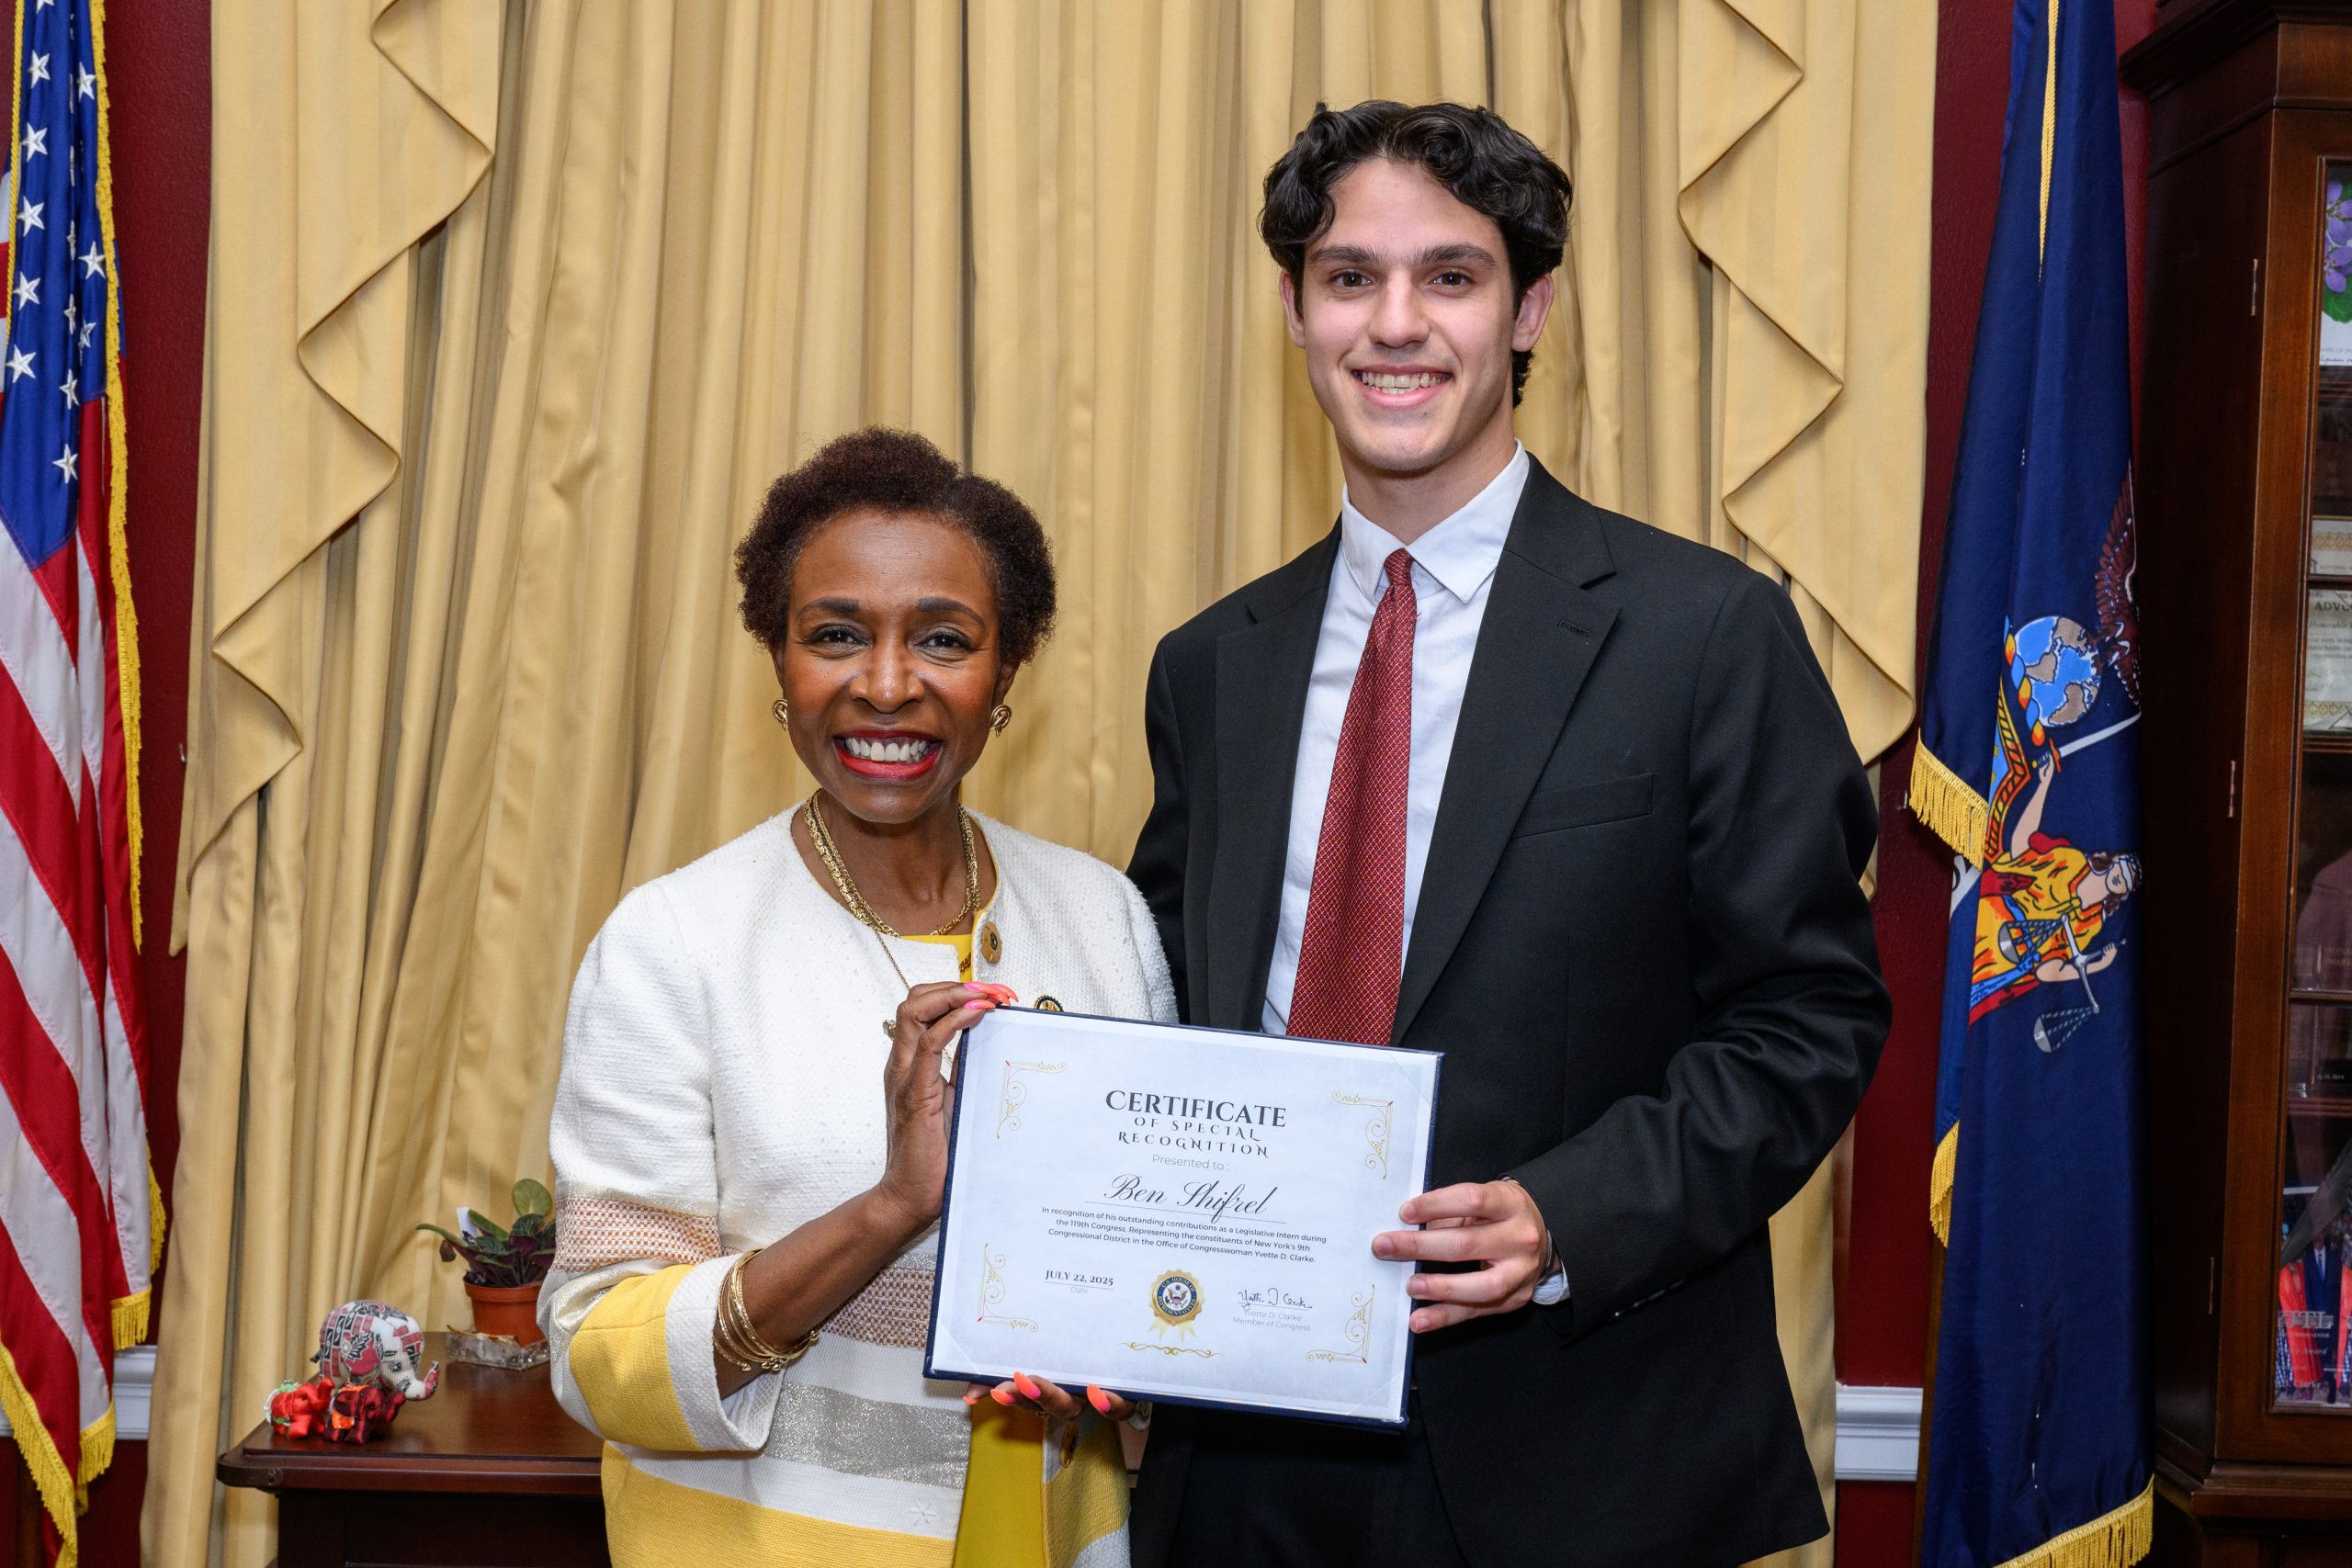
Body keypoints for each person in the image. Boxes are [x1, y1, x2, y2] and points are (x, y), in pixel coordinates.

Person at [1124, 101, 1890, 1567]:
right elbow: (1173, 1007)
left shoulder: (1707, 633)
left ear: (1530, 305)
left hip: (1584, 1454)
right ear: (1293, 307)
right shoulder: (1211, 663)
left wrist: (1564, 1214)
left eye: (1450, 277)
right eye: (1349, 277)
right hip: (1243, 1460)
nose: (1394, 324)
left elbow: (1809, 1018)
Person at [541, 428, 1175, 1567]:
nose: (887, 685)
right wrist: (893, 1206)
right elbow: (600, 1354)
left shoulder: (1101, 918)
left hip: (1059, 1537)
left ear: (1008, 670)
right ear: (779, 668)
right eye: (836, 636)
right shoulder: (675, 942)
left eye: (944, 639)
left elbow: (1157, 1267)